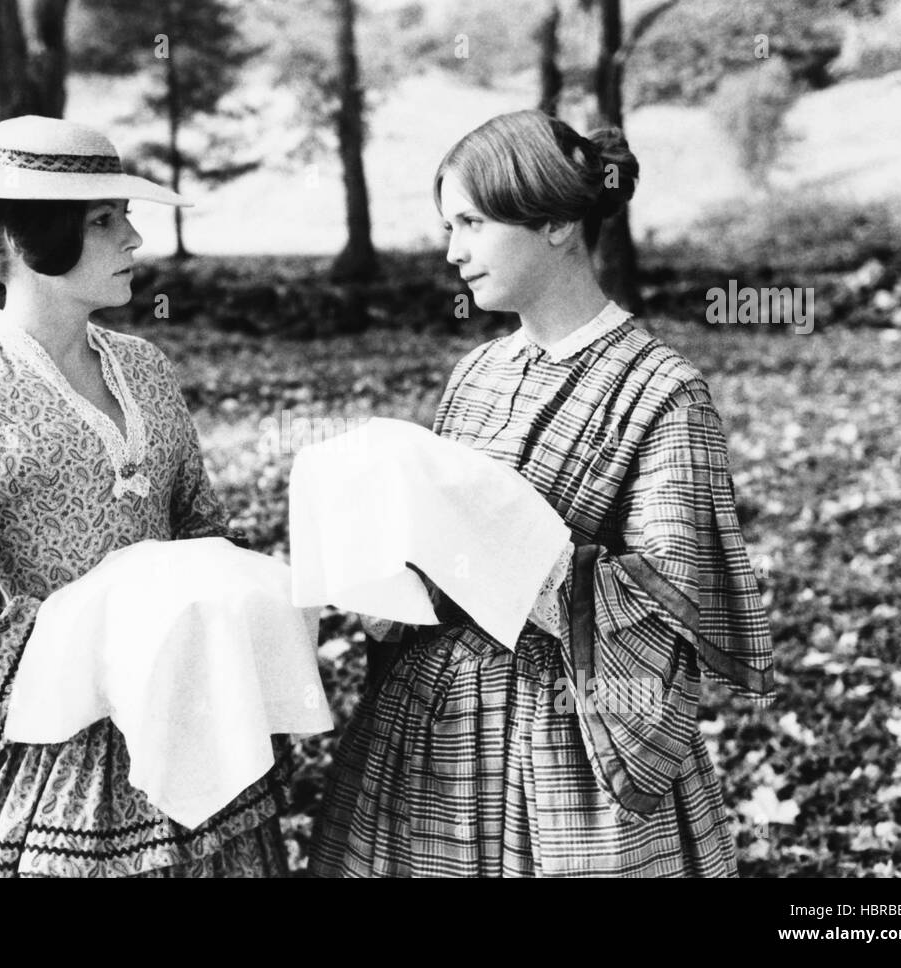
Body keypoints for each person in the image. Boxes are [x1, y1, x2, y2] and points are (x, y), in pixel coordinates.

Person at [309, 109, 775, 877]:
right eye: (447, 225)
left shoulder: (663, 390)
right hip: (433, 731)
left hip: (569, 743)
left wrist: (504, 552)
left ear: (557, 221)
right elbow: (435, 538)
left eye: (471, 222)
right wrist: (392, 585)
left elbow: (667, 603)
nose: (452, 251)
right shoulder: (478, 372)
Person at [0, 116, 290, 877]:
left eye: (125, 215)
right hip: (62, 747)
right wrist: (91, 628)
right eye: (103, 219)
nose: (133, 239)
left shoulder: (145, 367)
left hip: (188, 727)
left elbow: (200, 528)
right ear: (29, 239)